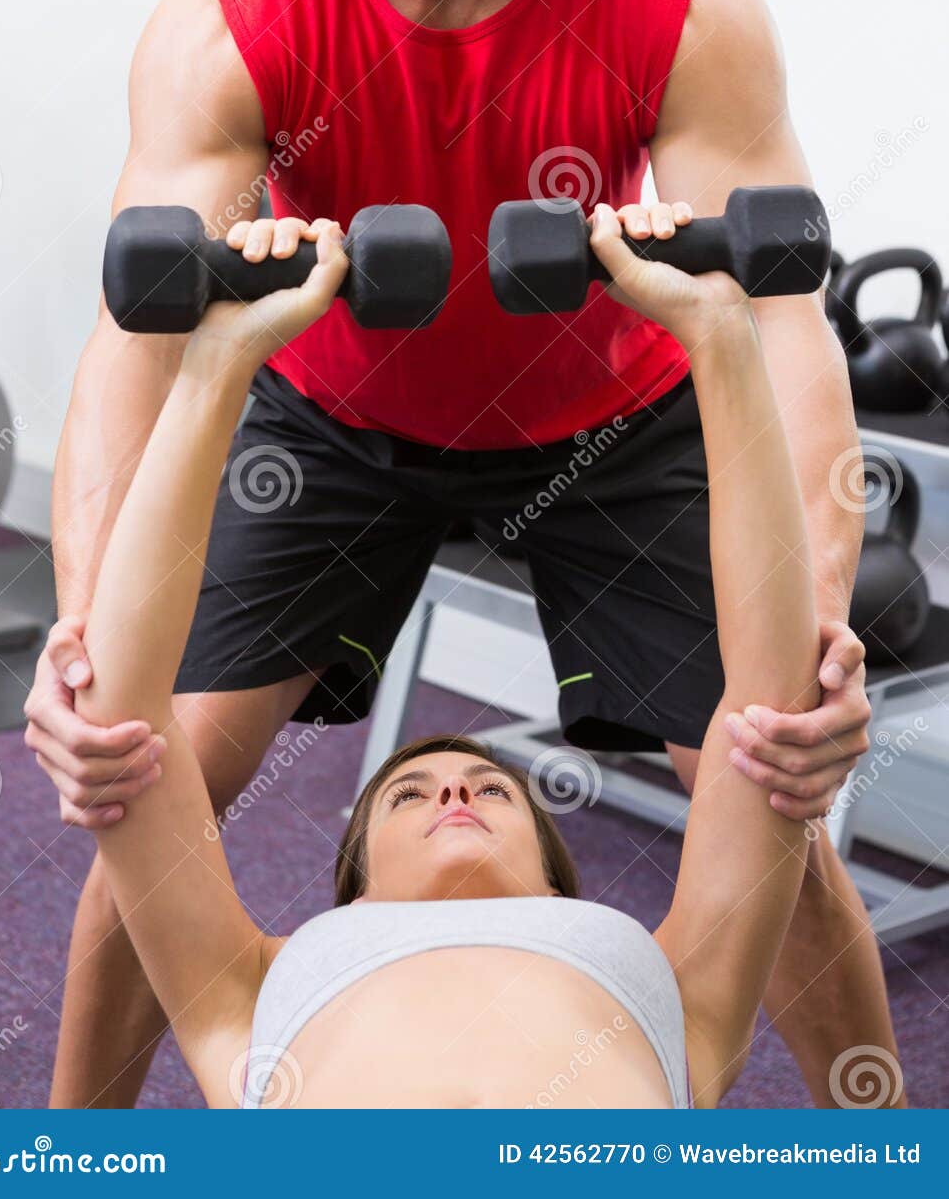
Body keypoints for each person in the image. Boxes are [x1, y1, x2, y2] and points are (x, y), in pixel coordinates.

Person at [25, 0, 898, 1109]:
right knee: (143, 785)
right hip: (332, 418)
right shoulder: (232, 15)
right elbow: (137, 337)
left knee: (775, 786)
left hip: (613, 419)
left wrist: (816, 627)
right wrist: (83, 650)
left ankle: (873, 1145)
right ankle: (70, 1154)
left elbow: (776, 315)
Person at [72, 204, 833, 1110]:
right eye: (412, 794)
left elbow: (763, 703)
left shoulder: (673, 980)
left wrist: (720, 335)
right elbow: (768, 695)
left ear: (557, 885)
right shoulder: (254, 981)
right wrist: (216, 365)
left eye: (487, 790)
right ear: (355, 899)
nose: (454, 793)